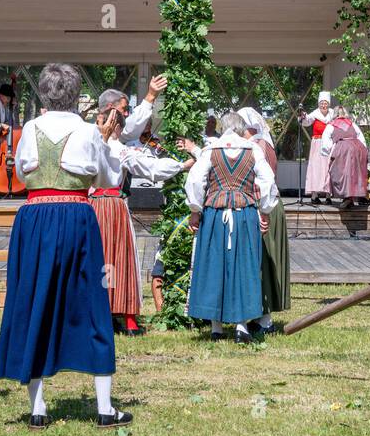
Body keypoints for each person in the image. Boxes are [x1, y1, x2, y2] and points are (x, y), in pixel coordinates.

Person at [0, 63, 131, 429]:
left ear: (43, 94)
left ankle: (38, 409)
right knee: (92, 302)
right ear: (74, 95)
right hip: (76, 216)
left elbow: (22, 176)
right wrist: (107, 143)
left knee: (33, 299)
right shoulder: (87, 131)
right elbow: (108, 177)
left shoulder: (29, 130)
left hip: (35, 216)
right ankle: (104, 408)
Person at [90, 107, 186, 335]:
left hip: (92, 205)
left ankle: (103, 312)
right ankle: (128, 319)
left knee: (100, 260)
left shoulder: (91, 147)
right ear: (119, 128)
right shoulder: (121, 150)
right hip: (113, 206)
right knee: (120, 259)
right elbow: (151, 168)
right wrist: (180, 166)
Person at [184, 111, 278, 343]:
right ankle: (241, 326)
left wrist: (195, 210)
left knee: (215, 265)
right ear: (240, 128)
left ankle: (216, 327)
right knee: (244, 266)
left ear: (222, 128)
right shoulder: (252, 149)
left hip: (215, 214)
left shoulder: (211, 149)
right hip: (244, 213)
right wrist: (265, 210)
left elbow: (196, 181)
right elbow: (267, 181)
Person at [241, 106, 291, 330]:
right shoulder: (266, 143)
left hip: (265, 207)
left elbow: (262, 183)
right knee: (264, 260)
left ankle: (265, 318)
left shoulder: (257, 146)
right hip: (271, 205)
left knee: (264, 260)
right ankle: (263, 315)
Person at [96, 75, 168, 148]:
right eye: (124, 109)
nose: (127, 114)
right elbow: (132, 126)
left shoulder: (120, 132)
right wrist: (151, 95)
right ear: (110, 107)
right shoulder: (91, 132)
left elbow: (131, 127)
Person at [319, 106, 369, 208]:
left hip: (342, 149)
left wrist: (327, 153)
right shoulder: (352, 124)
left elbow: (326, 145)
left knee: (340, 173)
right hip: (357, 148)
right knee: (353, 174)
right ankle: (350, 199)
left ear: (335, 114)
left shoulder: (331, 125)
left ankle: (347, 197)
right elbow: (361, 139)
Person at [299, 92, 335, 204]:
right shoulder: (315, 114)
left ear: (328, 104)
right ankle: (314, 195)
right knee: (316, 168)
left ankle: (328, 195)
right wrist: (303, 116)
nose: (324, 105)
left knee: (329, 168)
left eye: (325, 103)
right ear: (319, 104)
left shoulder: (332, 114)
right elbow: (305, 122)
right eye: (322, 103)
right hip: (317, 144)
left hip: (329, 143)